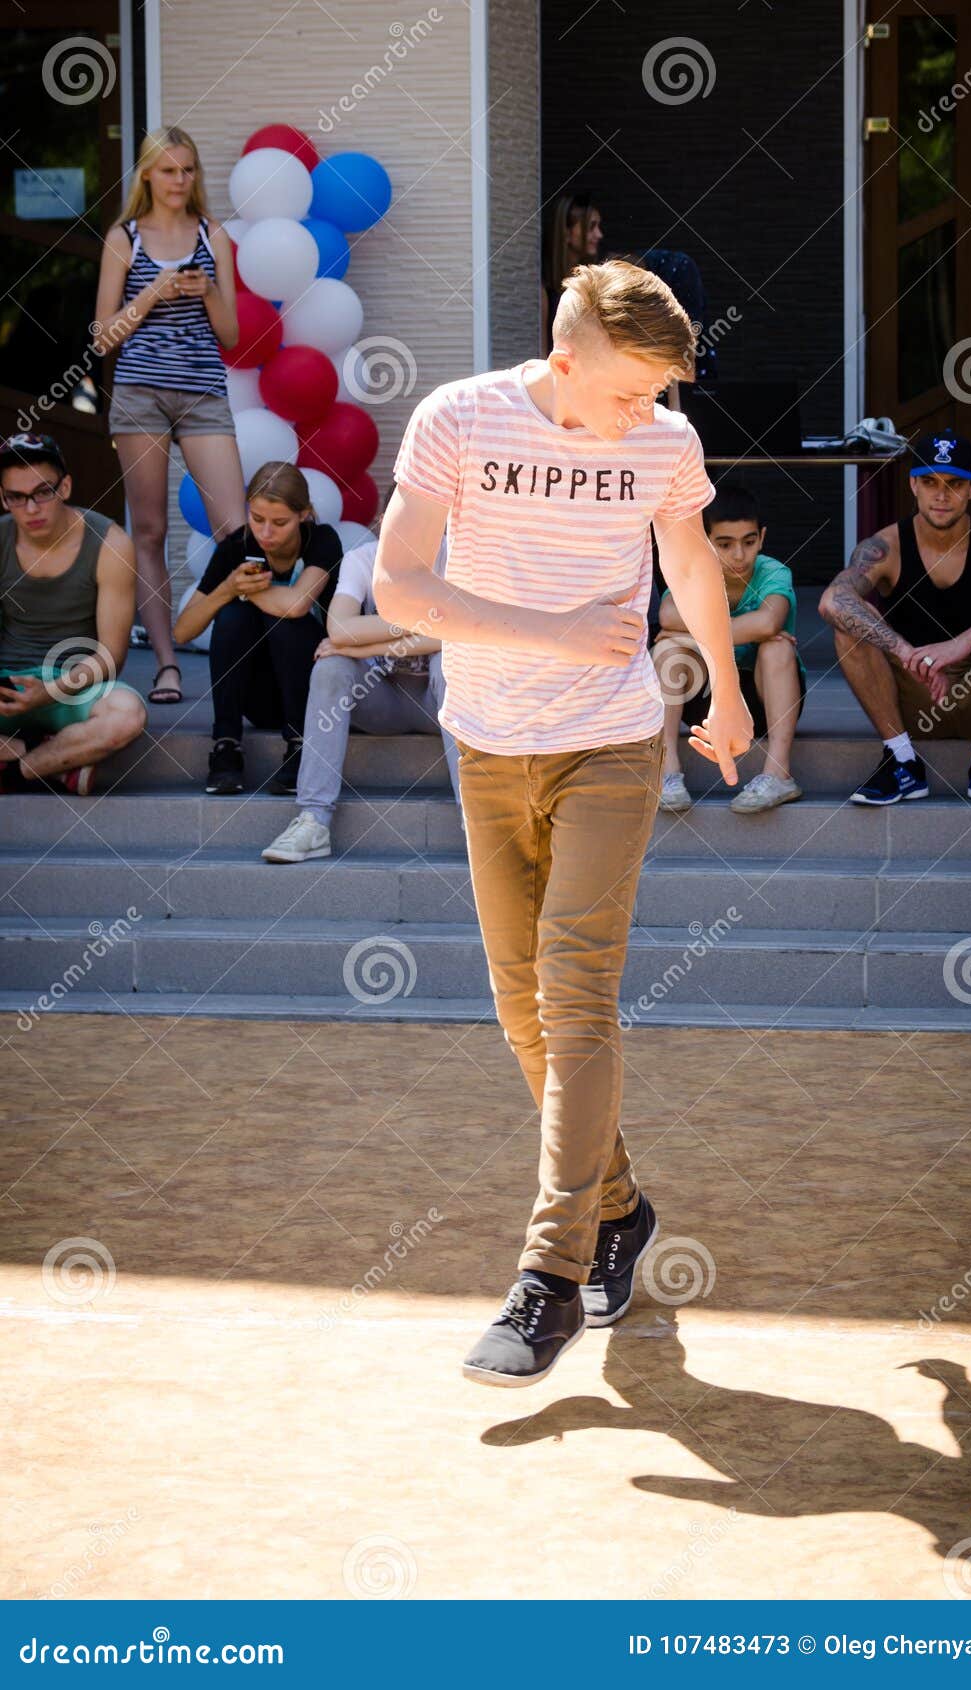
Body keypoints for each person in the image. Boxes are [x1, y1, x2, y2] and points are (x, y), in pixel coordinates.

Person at [373, 258, 752, 1387]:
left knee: (575, 989)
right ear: (563, 358)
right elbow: (398, 585)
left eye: (660, 393)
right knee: (518, 1006)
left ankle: (551, 1273)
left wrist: (728, 691)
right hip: (488, 742)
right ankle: (619, 1209)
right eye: (631, 390)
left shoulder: (663, 443)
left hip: (612, 744)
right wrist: (551, 630)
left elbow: (689, 558)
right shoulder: (459, 418)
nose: (648, 412)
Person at [818, 431, 971, 807]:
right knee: (849, 622)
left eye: (954, 484)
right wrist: (905, 651)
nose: (941, 495)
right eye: (929, 482)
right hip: (911, 695)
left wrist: (961, 644)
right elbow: (833, 601)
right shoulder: (885, 546)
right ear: (913, 485)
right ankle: (901, 760)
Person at [93, 125, 244, 706]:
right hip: (140, 395)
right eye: (169, 170)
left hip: (202, 392)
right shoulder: (124, 237)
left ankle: (237, 656)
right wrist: (152, 292)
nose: (180, 180)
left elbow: (231, 335)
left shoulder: (212, 234)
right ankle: (166, 665)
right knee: (150, 532)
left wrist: (207, 292)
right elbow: (103, 336)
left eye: (188, 169)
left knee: (235, 532)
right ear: (148, 175)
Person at [261, 526, 459, 864]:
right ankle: (313, 820)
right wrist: (424, 624)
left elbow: (458, 635)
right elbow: (339, 629)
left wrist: (364, 645)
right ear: (385, 523)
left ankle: (475, 821)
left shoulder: (457, 557)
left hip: (437, 702)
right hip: (380, 699)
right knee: (331, 667)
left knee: (452, 660)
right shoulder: (363, 559)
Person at [173, 462, 343, 796]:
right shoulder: (237, 546)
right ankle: (226, 745)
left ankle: (300, 744)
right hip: (258, 696)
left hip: (314, 695)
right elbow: (182, 632)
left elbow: (297, 604)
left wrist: (248, 592)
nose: (265, 533)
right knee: (233, 615)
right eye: (257, 518)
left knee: (284, 621)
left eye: (279, 523)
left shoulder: (321, 539)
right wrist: (227, 589)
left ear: (303, 515)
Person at [0, 433, 146, 796]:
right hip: (8, 685)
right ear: (3, 498)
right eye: (16, 497)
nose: (30, 509)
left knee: (127, 714)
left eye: (42, 492)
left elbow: (111, 656)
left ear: (64, 487)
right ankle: (55, 762)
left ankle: (16, 770)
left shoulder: (111, 543)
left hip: (73, 684)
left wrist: (49, 692)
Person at [652, 483, 805, 813]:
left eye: (748, 542)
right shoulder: (693, 572)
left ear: (761, 537)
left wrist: (694, 630)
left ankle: (778, 773)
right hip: (707, 708)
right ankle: (667, 769)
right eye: (725, 544)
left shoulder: (773, 572)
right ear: (705, 541)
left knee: (777, 648)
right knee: (669, 651)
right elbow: (667, 615)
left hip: (765, 703)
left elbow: (769, 622)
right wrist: (750, 630)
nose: (738, 554)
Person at [540, 191, 603, 356]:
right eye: (590, 227)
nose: (599, 234)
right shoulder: (545, 292)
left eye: (598, 226)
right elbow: (542, 354)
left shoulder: (594, 282)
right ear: (566, 233)